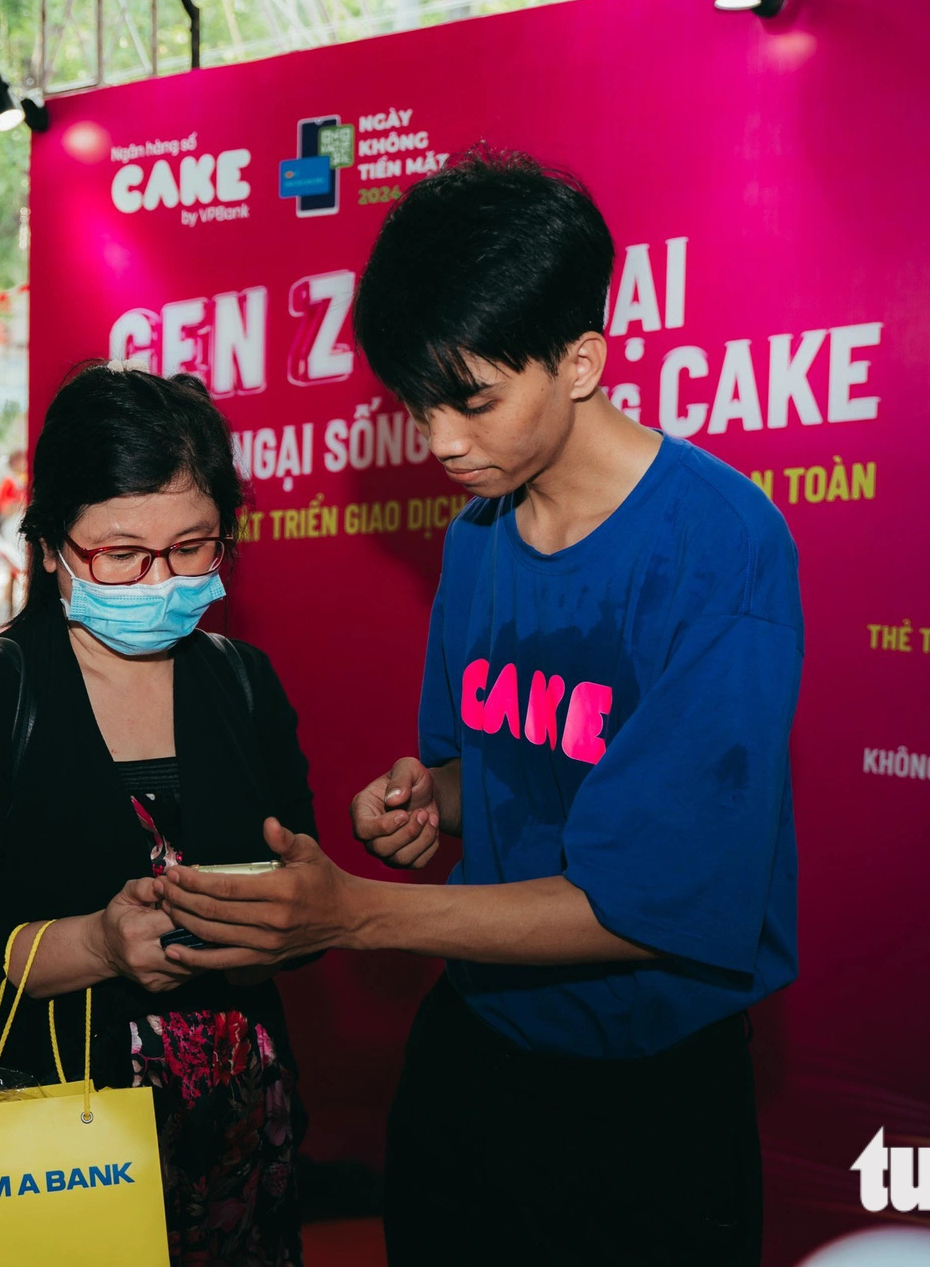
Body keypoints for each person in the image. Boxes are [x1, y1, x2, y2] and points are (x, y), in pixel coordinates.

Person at [157, 150, 802, 1265]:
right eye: (417, 405)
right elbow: (500, 771)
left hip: (646, 1090)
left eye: (472, 400)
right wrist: (430, 802)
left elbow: (643, 903)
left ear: (580, 359)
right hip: (481, 1040)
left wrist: (352, 911)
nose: (441, 441)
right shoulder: (480, 535)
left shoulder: (718, 547)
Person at [0, 364, 315, 1265]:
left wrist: (295, 915)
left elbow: (302, 897)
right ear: (50, 546)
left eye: (192, 548)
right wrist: (96, 945)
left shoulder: (241, 682)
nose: (161, 581)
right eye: (121, 554)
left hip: (237, 1136)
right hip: (61, 1140)